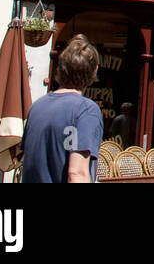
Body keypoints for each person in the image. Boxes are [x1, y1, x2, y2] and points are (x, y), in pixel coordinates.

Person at [23, 34, 103, 183]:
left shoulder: (37, 107)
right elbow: (77, 174)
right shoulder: (86, 110)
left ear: (61, 68)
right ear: (94, 70)